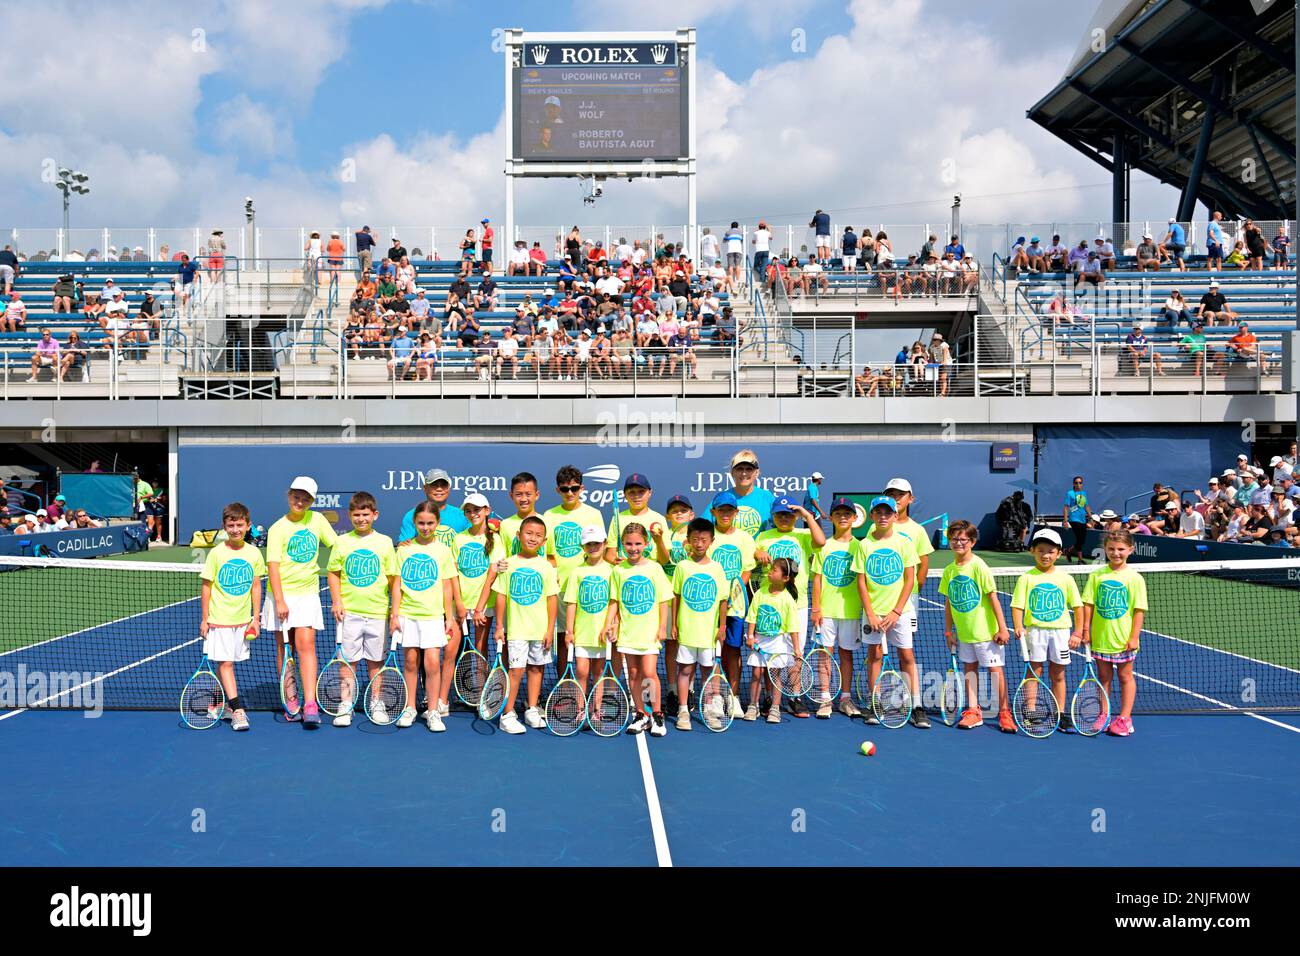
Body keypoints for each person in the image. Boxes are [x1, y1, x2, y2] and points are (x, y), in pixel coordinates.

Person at [263, 475, 338, 728]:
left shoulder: (317, 520)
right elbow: (272, 566)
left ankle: (310, 703)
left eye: (306, 498)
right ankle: (290, 698)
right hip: (281, 595)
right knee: (285, 650)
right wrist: (280, 600)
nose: (300, 501)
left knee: (306, 645)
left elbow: (337, 546)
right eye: (297, 495)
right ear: (289, 495)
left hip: (307, 594)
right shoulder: (277, 528)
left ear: (312, 501)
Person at [326, 492, 398, 728]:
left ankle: (377, 703)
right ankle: (346, 704)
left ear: (375, 515)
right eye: (356, 515)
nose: (361, 519)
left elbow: (392, 579)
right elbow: (333, 573)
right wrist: (337, 601)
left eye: (365, 514)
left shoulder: (385, 542)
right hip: (349, 614)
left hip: (377, 612)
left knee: (375, 661)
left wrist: (394, 611)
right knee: (348, 661)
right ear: (350, 516)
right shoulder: (342, 542)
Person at [855, 495, 924, 728]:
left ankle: (916, 706)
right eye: (878, 513)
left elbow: (910, 579)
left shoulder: (904, 543)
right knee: (873, 656)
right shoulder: (864, 544)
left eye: (888, 513)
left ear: (895, 516)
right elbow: (861, 582)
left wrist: (896, 611)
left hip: (900, 613)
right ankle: (876, 703)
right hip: (873, 613)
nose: (883, 517)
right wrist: (871, 613)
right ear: (872, 516)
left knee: (907, 656)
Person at [198, 502, 266, 732]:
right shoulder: (217, 553)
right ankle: (237, 710)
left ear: (248, 525)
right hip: (219, 619)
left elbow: (256, 586)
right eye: (231, 525)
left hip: (242, 620)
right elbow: (206, 586)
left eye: (239, 525)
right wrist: (204, 618)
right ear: (224, 526)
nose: (235, 529)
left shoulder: (254, 552)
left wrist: (255, 618)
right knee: (225, 664)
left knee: (229, 663)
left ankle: (219, 702)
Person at [392, 500, 459, 731]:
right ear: (415, 522)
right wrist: (394, 614)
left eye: (430, 523)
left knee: (432, 663)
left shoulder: (443, 550)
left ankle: (432, 711)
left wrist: (448, 616)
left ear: (438, 523)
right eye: (421, 523)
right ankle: (410, 707)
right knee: (411, 662)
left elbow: (447, 585)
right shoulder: (404, 550)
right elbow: (397, 584)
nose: (426, 527)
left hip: (432, 616)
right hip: (408, 614)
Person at [941, 519, 1013, 732]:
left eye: (963, 539)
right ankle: (973, 711)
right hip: (964, 634)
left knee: (995, 672)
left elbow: (993, 598)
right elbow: (948, 604)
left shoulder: (979, 565)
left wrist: (1002, 628)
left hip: (986, 634)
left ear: (972, 542)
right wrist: (948, 631)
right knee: (969, 671)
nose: (958, 543)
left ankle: (1004, 712)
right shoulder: (949, 570)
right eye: (954, 539)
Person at [1009, 528, 1083, 732]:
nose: (1045, 555)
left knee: (1058, 674)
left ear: (1059, 553)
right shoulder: (1026, 578)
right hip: (1035, 632)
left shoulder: (1066, 578)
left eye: (1050, 551)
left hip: (1060, 633)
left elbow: (1078, 606)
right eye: (1041, 550)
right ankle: (1030, 711)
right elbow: (1017, 605)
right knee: (1034, 672)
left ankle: (1060, 713)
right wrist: (1018, 626)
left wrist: (1078, 632)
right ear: (1032, 551)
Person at [491, 515, 560, 734]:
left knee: (537, 669)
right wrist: (499, 626)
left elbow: (551, 599)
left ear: (544, 541)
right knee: (516, 671)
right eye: (528, 533)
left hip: (540, 631)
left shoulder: (547, 567)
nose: (533, 538)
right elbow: (501, 596)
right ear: (519, 536)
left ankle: (531, 709)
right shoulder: (508, 564)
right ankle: (507, 713)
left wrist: (550, 629)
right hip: (517, 631)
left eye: (538, 535)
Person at [1081, 529, 1147, 737]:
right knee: (1104, 677)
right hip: (1101, 637)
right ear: (1105, 549)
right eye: (1111, 548)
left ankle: (1125, 718)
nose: (1115, 553)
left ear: (1130, 550)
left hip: (1123, 639)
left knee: (1125, 676)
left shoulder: (1135, 579)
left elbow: (1138, 610)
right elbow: (1088, 604)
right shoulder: (1096, 575)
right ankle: (1104, 714)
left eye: (1120, 549)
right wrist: (1086, 630)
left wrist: (1134, 636)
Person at [609, 521, 672, 736]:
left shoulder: (654, 568)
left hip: (649, 631)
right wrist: (611, 623)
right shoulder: (618, 570)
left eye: (637, 543)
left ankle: (656, 715)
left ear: (646, 543)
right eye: (628, 544)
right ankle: (640, 714)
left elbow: (664, 600)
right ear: (622, 545)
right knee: (634, 673)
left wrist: (663, 626)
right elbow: (615, 601)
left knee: (649, 672)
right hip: (628, 632)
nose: (633, 548)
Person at [543, 465, 606, 677]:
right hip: (561, 589)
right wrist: (555, 578)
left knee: (592, 639)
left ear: (582, 488)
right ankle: (566, 686)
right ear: (557, 490)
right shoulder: (549, 516)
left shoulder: (594, 514)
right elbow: (549, 555)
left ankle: (591, 693)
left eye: (574, 488)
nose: (570, 493)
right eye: (564, 489)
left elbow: (600, 551)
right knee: (564, 638)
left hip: (588, 588)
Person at [670, 518, 730, 730]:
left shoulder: (717, 569)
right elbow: (675, 596)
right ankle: (683, 710)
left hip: (708, 634)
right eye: (694, 539)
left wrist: (722, 627)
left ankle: (709, 709)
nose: (698, 544)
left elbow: (723, 601)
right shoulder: (682, 567)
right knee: (685, 670)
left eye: (703, 540)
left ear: (711, 541)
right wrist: (674, 624)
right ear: (687, 541)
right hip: (687, 631)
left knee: (708, 672)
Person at [743, 555, 802, 724]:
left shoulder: (788, 600)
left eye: (774, 570)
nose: (770, 572)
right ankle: (753, 706)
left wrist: (796, 649)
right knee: (756, 673)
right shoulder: (761, 592)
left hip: (778, 642)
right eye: (771, 569)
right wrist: (751, 636)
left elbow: (793, 627)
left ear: (785, 578)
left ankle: (775, 708)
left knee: (775, 676)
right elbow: (753, 615)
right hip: (760, 639)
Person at [562, 525, 615, 709]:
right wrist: (569, 631)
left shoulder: (612, 571)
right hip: (582, 632)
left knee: (599, 673)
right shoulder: (577, 572)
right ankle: (580, 709)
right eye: (589, 544)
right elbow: (572, 603)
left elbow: (614, 603)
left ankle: (597, 709)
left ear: (605, 543)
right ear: (583, 546)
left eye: (597, 543)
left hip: (602, 633)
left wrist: (612, 625)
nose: (593, 547)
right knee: (581, 672)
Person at [459, 493, 504, 666]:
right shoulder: (459, 538)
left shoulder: (496, 540)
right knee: (456, 649)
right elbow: (455, 573)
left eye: (477, 510)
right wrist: (460, 604)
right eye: (468, 511)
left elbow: (492, 576)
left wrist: (479, 608)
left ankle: (480, 691)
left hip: (484, 605)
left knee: (480, 648)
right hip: (462, 605)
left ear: (487, 511)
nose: (473, 514)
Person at [1063, 475, 1089, 563]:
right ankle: (1080, 559)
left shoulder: (1084, 493)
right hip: (1074, 518)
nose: (1078, 484)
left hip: (1083, 519)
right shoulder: (1070, 493)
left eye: (1080, 483)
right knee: (1079, 538)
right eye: (1076, 483)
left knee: (1082, 540)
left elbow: (1086, 506)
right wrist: (1065, 520)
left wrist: (1091, 517)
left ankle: (1068, 551)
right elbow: (1066, 507)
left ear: (1082, 484)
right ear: (1073, 484)